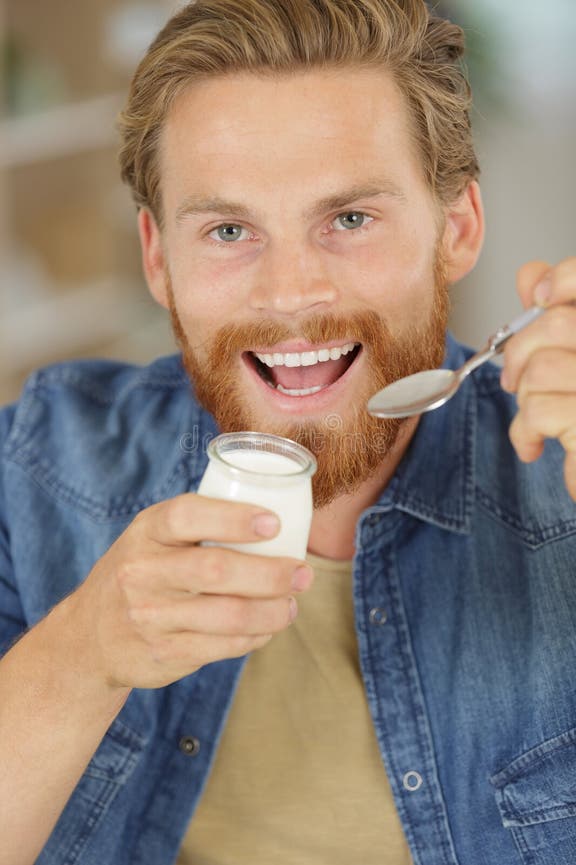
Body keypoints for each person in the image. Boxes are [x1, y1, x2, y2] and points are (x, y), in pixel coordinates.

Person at [1, 1, 576, 863]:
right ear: (159, 258)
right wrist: (84, 650)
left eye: (348, 219)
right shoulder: (38, 462)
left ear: (455, 228)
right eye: (229, 230)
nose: (291, 294)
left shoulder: (558, 476)